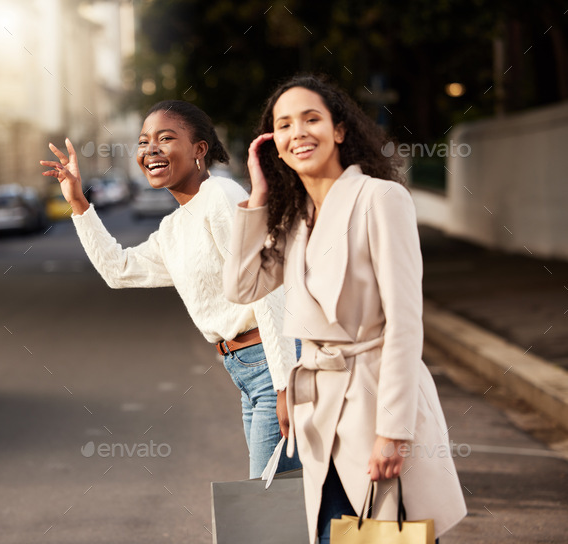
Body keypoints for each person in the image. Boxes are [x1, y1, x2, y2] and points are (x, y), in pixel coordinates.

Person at [223, 75, 467, 544]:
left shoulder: (380, 199)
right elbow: (241, 285)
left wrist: (392, 432)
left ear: (339, 130)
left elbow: (404, 323)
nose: (299, 132)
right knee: (335, 532)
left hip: (372, 404)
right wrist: (256, 200)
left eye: (311, 118)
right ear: (274, 144)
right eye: (285, 125)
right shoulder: (294, 219)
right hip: (316, 415)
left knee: (390, 532)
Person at [40, 100, 300, 479]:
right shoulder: (174, 229)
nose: (151, 150)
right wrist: (78, 201)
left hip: (271, 365)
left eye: (166, 138)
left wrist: (284, 385)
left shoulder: (221, 197)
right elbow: (119, 270)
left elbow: (268, 286)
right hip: (246, 371)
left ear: (199, 149)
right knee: (279, 503)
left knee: (270, 503)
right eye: (144, 142)